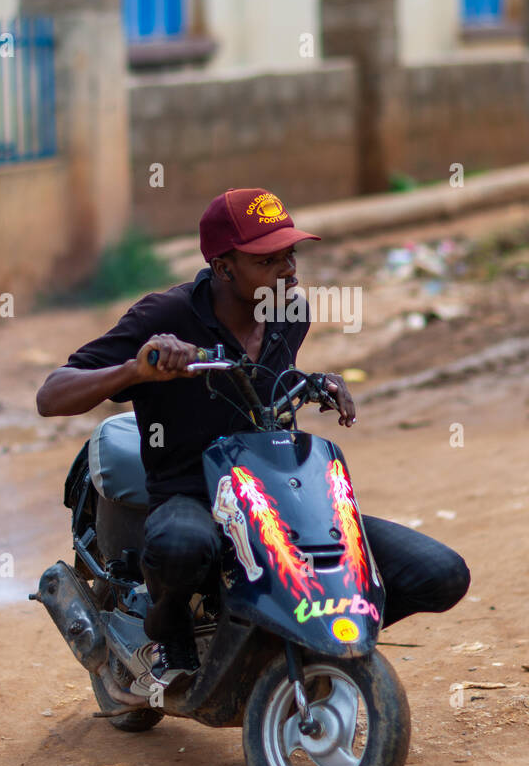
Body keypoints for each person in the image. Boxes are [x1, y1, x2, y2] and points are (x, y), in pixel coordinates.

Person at [37, 187, 470, 696]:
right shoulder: (165, 316)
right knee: (181, 544)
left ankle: (306, 641)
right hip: (193, 497)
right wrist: (137, 369)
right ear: (223, 269)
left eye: (290, 254)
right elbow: (52, 395)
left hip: (276, 498)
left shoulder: (291, 314)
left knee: (440, 574)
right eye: (267, 260)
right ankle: (166, 631)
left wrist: (314, 382)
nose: (287, 270)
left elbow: (260, 385)